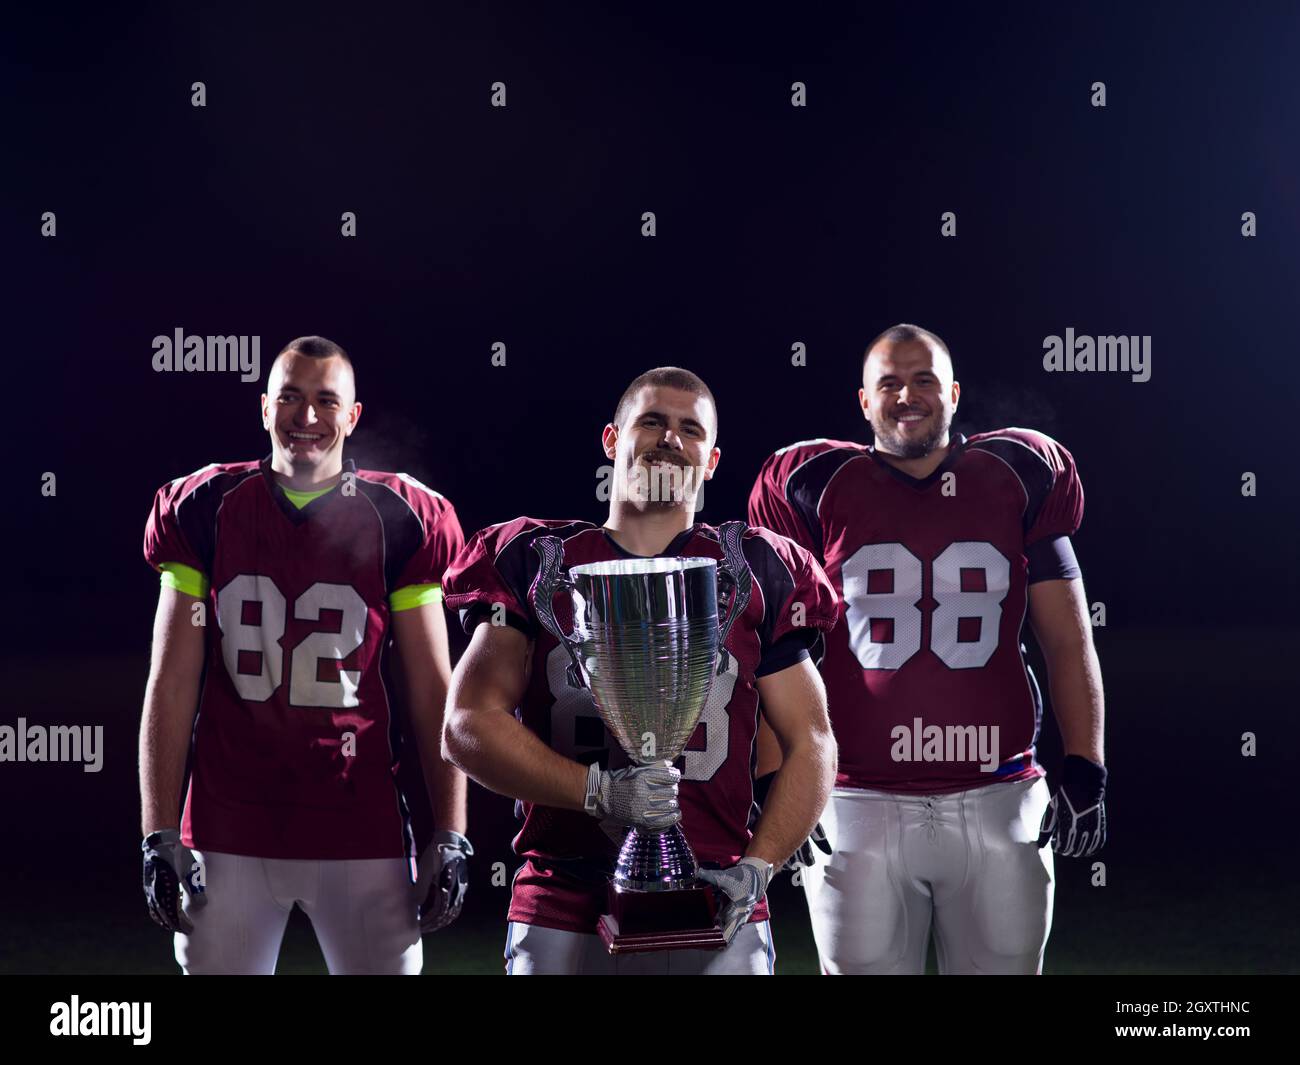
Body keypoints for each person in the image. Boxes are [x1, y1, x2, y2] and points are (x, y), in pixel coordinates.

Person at [441, 367, 838, 974]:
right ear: (612, 439)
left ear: (711, 460)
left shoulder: (757, 564)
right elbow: (467, 724)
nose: (670, 439)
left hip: (718, 897)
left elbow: (811, 739)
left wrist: (759, 867)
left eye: (690, 429)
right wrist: (600, 792)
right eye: (652, 420)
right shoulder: (533, 557)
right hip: (562, 898)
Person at [749, 323, 1107, 975]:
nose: (907, 395)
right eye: (889, 382)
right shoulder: (813, 484)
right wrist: (779, 782)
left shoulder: (1019, 473)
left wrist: (1085, 759)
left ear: (954, 392)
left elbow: (1067, 637)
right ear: (864, 400)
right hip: (854, 796)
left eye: (923, 380)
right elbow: (776, 653)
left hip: (999, 792)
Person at [139, 335, 470, 974]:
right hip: (226, 824)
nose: (307, 416)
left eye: (325, 401)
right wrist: (156, 830)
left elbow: (434, 691)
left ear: (352, 415)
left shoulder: (401, 515)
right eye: (290, 397)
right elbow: (172, 680)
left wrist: (451, 832)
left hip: (359, 822)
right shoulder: (206, 507)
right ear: (265, 408)